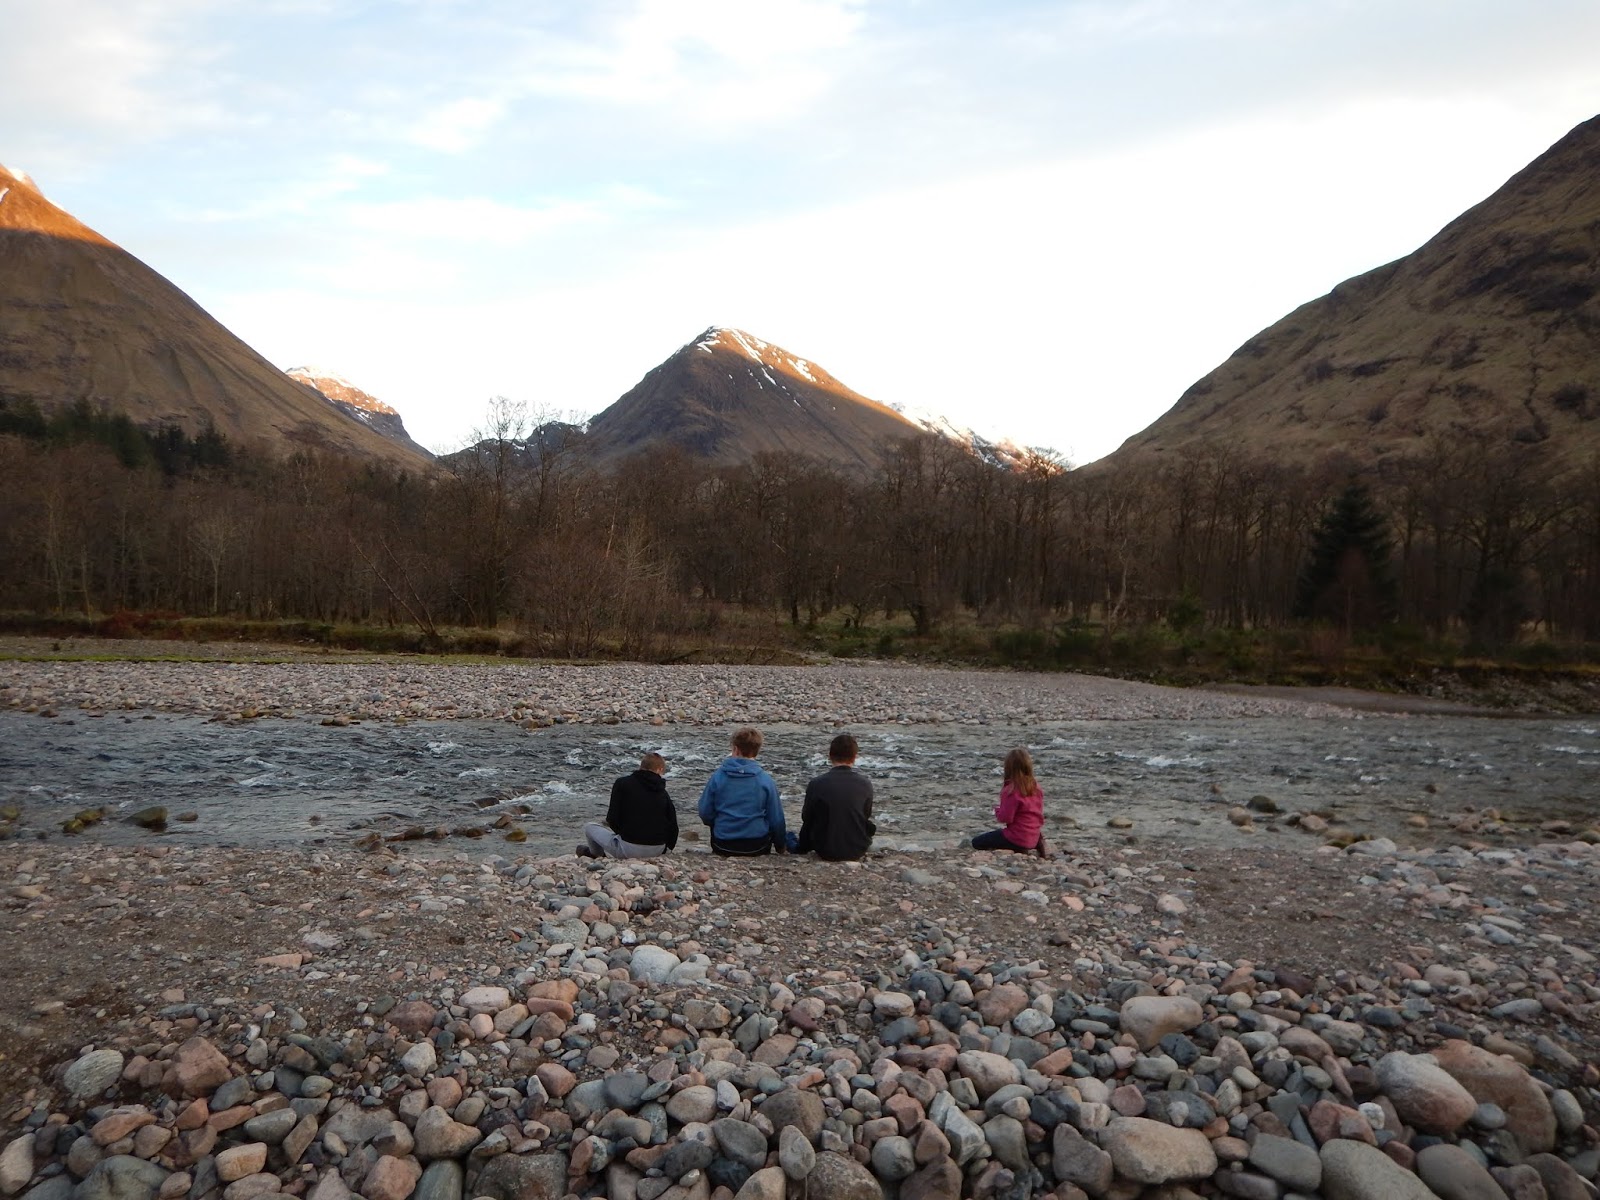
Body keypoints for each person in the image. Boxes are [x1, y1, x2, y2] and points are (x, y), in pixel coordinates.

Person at [698, 727, 786, 856]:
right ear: (757, 751)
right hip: (757, 845)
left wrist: (716, 823)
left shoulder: (718, 777)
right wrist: (780, 846)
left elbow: (705, 812)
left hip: (723, 844)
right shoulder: (765, 780)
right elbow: (776, 819)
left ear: (735, 749)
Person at [577, 752, 678, 859]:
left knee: (590, 827)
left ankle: (597, 856)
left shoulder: (622, 783)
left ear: (641, 766)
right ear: (660, 770)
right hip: (658, 850)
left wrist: (624, 835)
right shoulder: (663, 793)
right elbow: (673, 826)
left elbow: (612, 819)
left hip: (628, 850)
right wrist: (667, 850)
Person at [795, 732, 875, 861]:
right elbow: (866, 815)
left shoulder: (816, 783)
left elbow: (807, 817)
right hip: (857, 849)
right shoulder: (865, 784)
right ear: (855, 757)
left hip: (824, 849)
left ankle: (799, 848)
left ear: (830, 756)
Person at [971, 746, 1049, 857]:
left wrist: (997, 810)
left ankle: (1018, 847)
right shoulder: (1036, 787)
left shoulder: (1010, 790)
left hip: (1016, 838)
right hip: (1034, 835)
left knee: (976, 842)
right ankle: (1035, 845)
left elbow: (1005, 818)